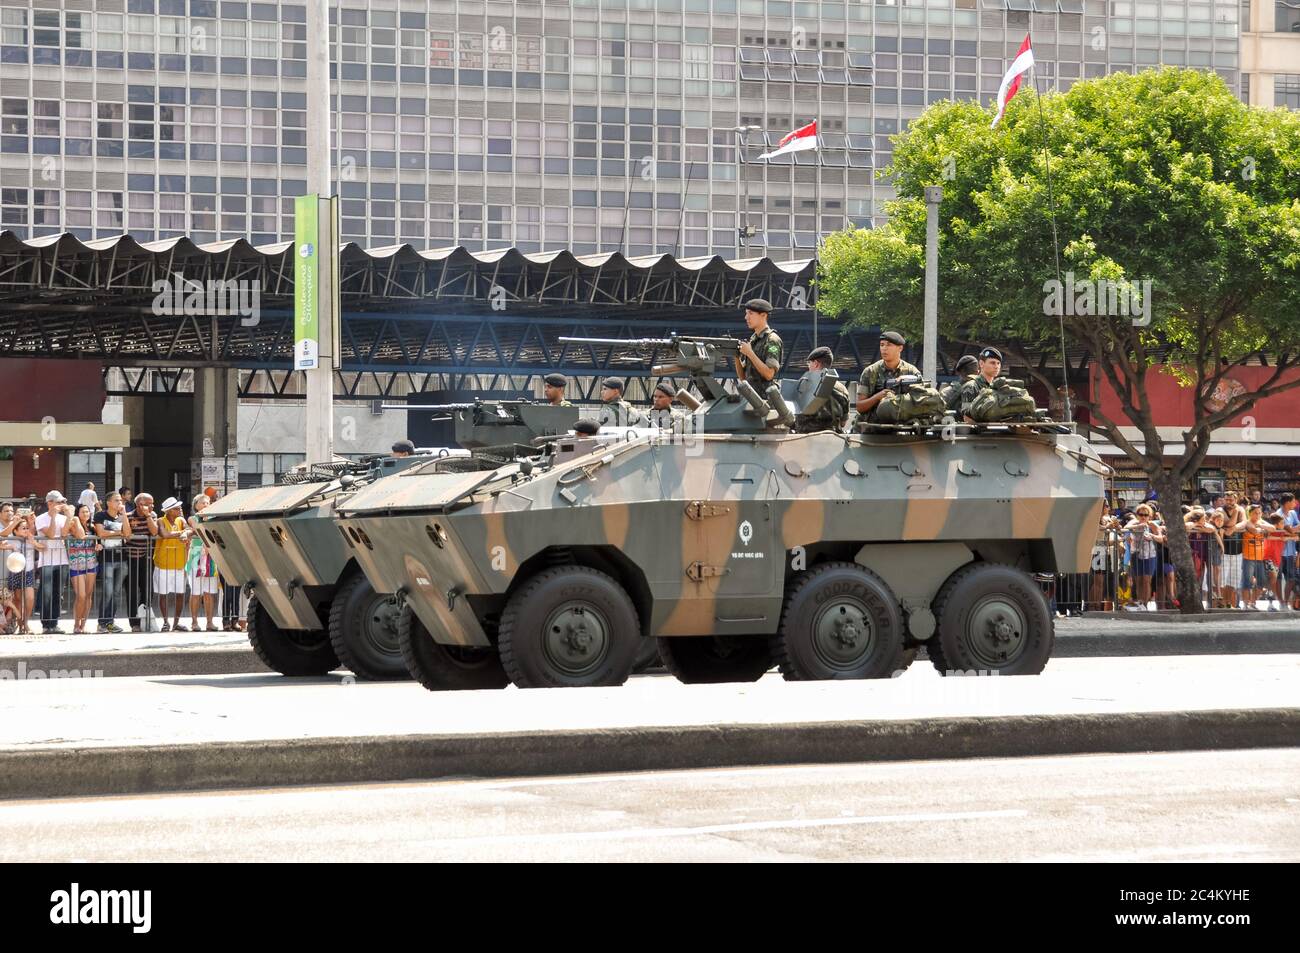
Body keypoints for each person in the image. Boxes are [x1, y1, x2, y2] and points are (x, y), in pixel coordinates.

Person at [856, 331, 919, 421]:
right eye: (882, 345)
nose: (884, 349)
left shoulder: (911, 371)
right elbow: (860, 406)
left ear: (900, 348)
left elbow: (920, 400)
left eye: (889, 345)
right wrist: (877, 397)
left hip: (903, 426)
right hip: (874, 428)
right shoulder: (870, 372)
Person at [91, 491, 131, 633]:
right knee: (107, 592)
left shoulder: (122, 517)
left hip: (122, 559)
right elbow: (101, 533)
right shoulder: (100, 515)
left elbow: (128, 534)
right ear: (108, 502)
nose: (120, 503)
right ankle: (102, 623)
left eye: (121, 501)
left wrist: (124, 514)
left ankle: (110, 622)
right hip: (107, 559)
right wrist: (118, 533)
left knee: (116, 592)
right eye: (116, 500)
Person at [150, 497, 190, 632]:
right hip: (163, 564)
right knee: (163, 594)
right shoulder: (161, 520)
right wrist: (182, 533)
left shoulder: (181, 520)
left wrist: (186, 532)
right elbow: (165, 534)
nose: (179, 510)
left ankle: (176, 623)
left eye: (179, 508)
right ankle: (166, 622)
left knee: (180, 594)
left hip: (180, 563)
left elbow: (190, 530)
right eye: (176, 508)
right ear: (168, 511)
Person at [34, 490, 71, 634]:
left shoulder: (62, 518)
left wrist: (68, 516)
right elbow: (49, 534)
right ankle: (46, 624)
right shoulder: (41, 518)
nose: (62, 505)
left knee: (58, 593)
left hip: (62, 560)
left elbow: (64, 534)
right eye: (59, 502)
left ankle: (54, 623)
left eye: (63, 502)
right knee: (47, 593)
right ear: (50, 503)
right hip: (47, 561)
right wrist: (54, 516)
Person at [1, 503, 40, 634]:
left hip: (28, 571)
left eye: (26, 528)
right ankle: (21, 625)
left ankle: (26, 622)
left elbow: (39, 542)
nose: (25, 529)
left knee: (29, 598)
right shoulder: (13, 538)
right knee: (17, 599)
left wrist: (31, 521)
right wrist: (15, 522)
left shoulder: (29, 536)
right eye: (23, 528)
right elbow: (2, 541)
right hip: (15, 571)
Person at [794, 346, 850, 433]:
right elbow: (843, 423)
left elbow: (795, 415)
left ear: (816, 363)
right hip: (834, 440)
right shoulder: (843, 389)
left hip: (806, 440)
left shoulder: (805, 384)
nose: (809, 367)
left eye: (809, 363)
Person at [735, 298, 783, 395]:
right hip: (751, 398)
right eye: (746, 313)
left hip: (764, 400)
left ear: (763, 315)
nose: (746, 317)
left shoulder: (772, 340)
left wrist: (749, 353)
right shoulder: (753, 340)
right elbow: (744, 378)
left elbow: (769, 374)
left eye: (750, 313)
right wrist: (736, 356)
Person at [186, 494, 220, 631]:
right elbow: (200, 528)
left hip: (211, 558)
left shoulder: (214, 519)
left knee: (209, 593)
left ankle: (209, 622)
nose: (206, 504)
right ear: (196, 505)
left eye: (208, 502)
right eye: (203, 502)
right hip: (196, 558)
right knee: (195, 592)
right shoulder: (193, 518)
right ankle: (194, 622)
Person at [1123, 504, 1164, 610]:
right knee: (1138, 580)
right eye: (1141, 514)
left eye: (1146, 515)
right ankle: (1140, 603)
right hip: (1136, 554)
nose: (1143, 517)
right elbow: (1125, 528)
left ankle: (1145, 604)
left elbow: (1161, 538)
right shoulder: (1133, 523)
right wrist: (1138, 526)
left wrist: (1152, 536)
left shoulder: (1152, 525)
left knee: (1146, 580)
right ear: (1137, 515)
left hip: (1150, 555)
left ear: (1149, 516)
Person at [65, 503, 98, 634]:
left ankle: (83, 625)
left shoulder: (93, 527)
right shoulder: (73, 524)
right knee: (81, 595)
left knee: (88, 596)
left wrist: (98, 547)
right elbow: (80, 535)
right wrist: (77, 520)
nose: (86, 514)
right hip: (76, 564)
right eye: (83, 512)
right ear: (77, 513)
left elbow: (96, 543)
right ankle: (76, 624)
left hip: (91, 564)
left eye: (88, 512)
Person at [125, 492, 154, 631]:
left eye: (152, 503)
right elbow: (128, 536)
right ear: (139, 505)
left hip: (146, 558)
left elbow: (154, 533)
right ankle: (134, 622)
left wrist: (148, 515)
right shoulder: (129, 516)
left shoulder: (152, 516)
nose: (151, 506)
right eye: (148, 504)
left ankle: (145, 619)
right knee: (131, 591)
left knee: (147, 590)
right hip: (131, 558)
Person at [1239, 504, 1272, 609]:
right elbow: (1253, 530)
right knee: (1246, 582)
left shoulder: (1261, 522)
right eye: (1255, 513)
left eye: (1259, 513)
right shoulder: (1247, 523)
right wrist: (1261, 529)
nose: (1258, 515)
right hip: (1248, 557)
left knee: (1262, 582)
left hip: (1260, 558)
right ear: (1250, 514)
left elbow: (1273, 528)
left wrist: (1261, 526)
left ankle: (1253, 603)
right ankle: (1245, 604)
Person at [960, 347, 1004, 422]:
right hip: (980, 432)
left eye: (998, 363)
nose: (996, 366)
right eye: (992, 363)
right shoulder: (971, 386)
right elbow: (967, 418)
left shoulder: (998, 387)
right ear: (981, 364)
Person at [1220, 491, 1246, 608]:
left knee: (1233, 579)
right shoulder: (1220, 511)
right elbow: (1228, 522)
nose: (1229, 502)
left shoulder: (1241, 510)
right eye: (1227, 500)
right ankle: (1222, 602)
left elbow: (1244, 522)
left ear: (1236, 500)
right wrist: (1236, 513)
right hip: (1224, 551)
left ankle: (1229, 602)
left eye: (1231, 500)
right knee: (1222, 579)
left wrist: (1234, 527)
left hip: (1238, 550)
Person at [1275, 492, 1299, 609]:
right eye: (1293, 501)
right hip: (1278, 553)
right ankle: (1281, 602)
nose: (1295, 503)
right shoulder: (1277, 514)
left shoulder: (1293, 513)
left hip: (1290, 552)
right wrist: (1293, 532)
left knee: (1291, 578)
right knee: (1278, 578)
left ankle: (1285, 601)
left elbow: (1294, 530)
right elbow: (1289, 530)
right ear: (1287, 502)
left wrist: (1292, 532)